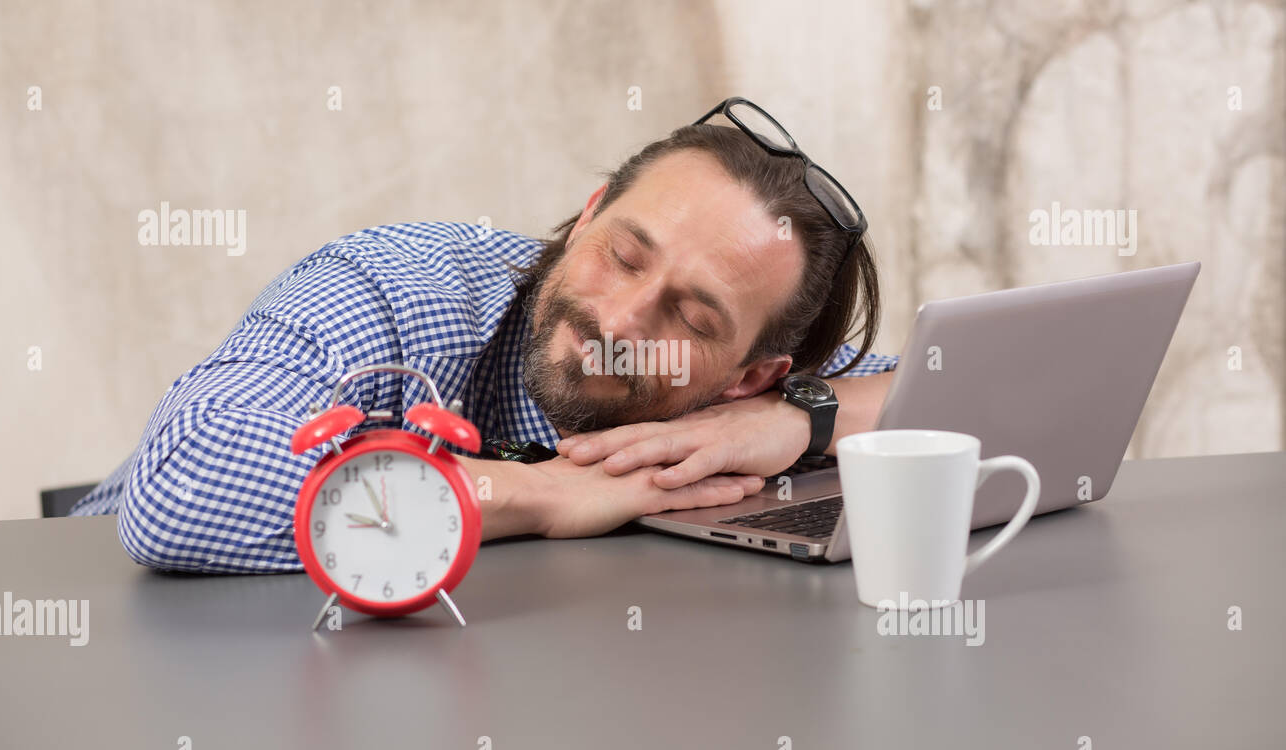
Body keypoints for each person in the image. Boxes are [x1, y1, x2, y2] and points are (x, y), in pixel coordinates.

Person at [69, 98, 899, 572]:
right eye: (623, 254)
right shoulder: (398, 286)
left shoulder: (762, 398)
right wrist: (532, 495)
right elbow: (183, 488)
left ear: (751, 374)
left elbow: (997, 388)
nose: (616, 320)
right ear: (590, 214)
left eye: (690, 317)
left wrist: (803, 418)